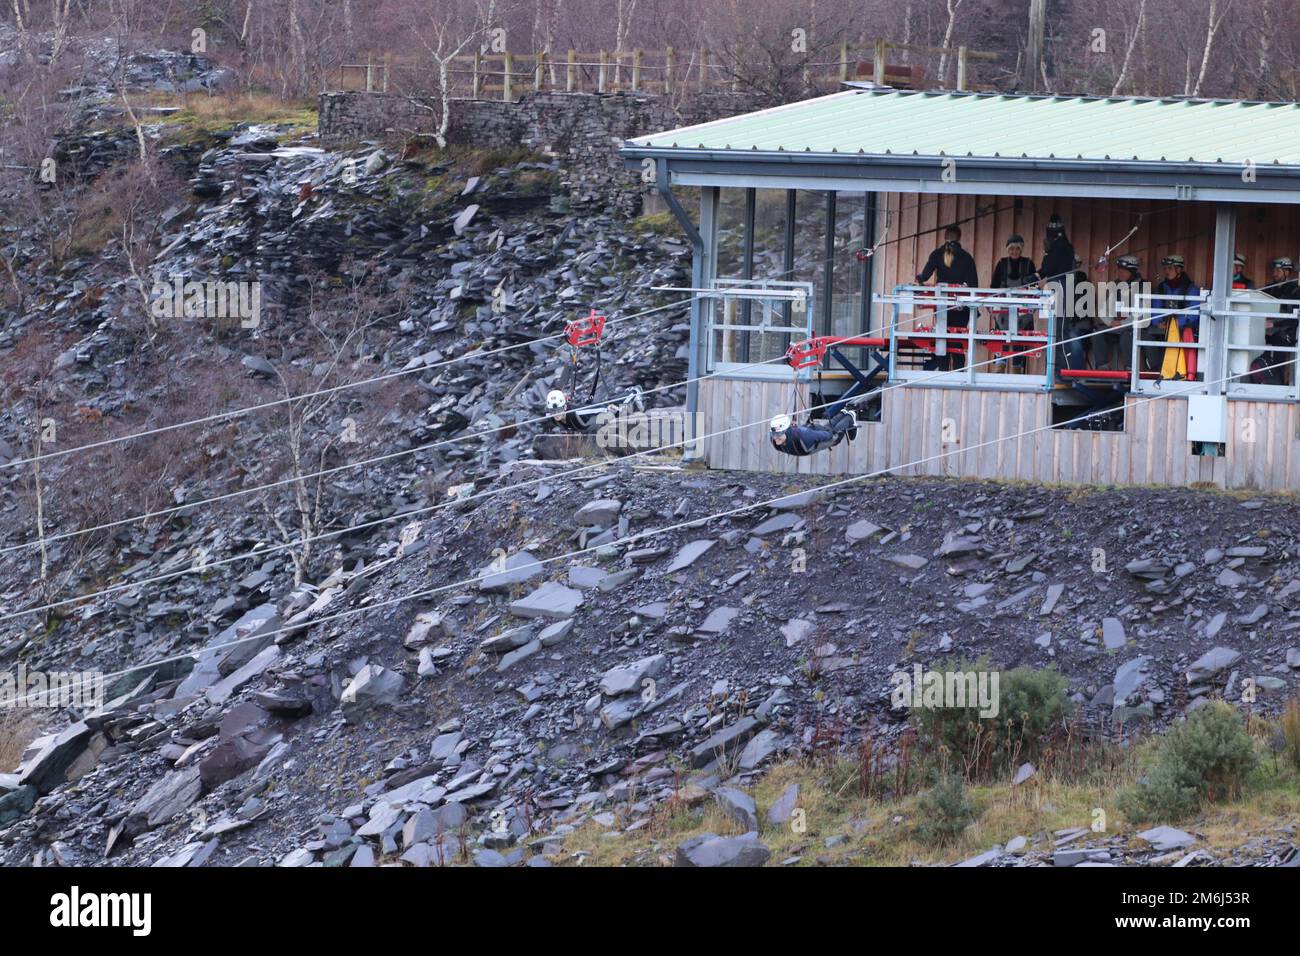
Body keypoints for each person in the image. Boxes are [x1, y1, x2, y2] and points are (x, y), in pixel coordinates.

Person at [916, 225, 979, 371]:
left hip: (943, 306)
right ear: (959, 237)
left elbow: (924, 276)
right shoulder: (966, 257)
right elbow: (974, 284)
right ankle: (959, 375)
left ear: (945, 236)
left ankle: (943, 375)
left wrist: (918, 279)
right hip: (961, 307)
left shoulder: (937, 254)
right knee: (958, 341)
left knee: (942, 340)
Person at [1037, 214, 1077, 376]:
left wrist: (1038, 276)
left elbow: (1048, 268)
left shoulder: (1061, 248)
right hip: (1057, 291)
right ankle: (1056, 371)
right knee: (1057, 333)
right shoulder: (1063, 248)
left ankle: (1062, 372)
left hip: (1060, 291)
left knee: (1060, 334)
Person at [1152, 254, 1202, 379]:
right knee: (1148, 334)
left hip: (1183, 326)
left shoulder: (1191, 289)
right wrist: (1157, 322)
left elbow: (1193, 313)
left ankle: (1179, 371)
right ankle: (1155, 368)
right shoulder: (1162, 287)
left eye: (1169, 268)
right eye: (1165, 268)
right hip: (1164, 326)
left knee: (1183, 334)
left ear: (1178, 269)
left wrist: (1177, 324)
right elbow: (1155, 308)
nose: (1166, 271)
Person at [1093, 254, 1141, 370]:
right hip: (1115, 326)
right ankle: (1102, 368)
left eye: (1124, 270)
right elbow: (1103, 310)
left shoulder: (1142, 287)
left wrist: (1122, 324)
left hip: (1132, 327)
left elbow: (1140, 315)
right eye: (1119, 269)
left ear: (1132, 271)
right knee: (1097, 334)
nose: (1120, 272)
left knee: (1127, 336)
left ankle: (1130, 369)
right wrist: (1110, 322)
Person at [1264, 256, 1299, 385]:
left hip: (1285, 330)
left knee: (1279, 342)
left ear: (1287, 272)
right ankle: (1262, 377)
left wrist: (1274, 323)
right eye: (1274, 270)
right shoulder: (1269, 289)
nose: (1274, 273)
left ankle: (1278, 382)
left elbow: (1294, 315)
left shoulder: (1295, 290)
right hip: (1266, 328)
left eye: (1278, 271)